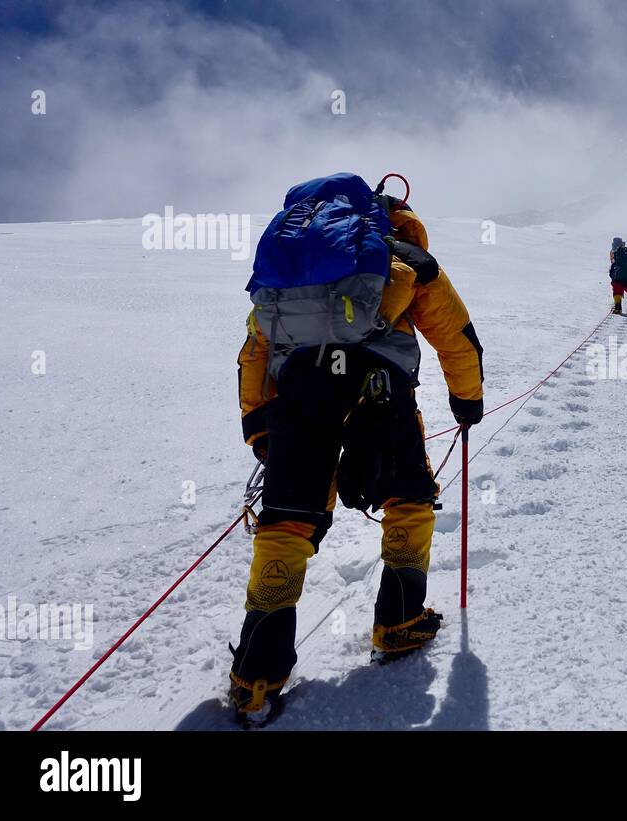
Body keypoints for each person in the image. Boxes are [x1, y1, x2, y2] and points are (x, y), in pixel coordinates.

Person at [231, 173, 484, 723]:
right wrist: (467, 403)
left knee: (288, 519)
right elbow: (455, 333)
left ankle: (257, 671)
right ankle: (398, 622)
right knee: (408, 497)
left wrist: (257, 421)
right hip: (380, 388)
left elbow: (255, 345)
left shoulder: (290, 272)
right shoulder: (405, 257)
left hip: (300, 390)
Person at [609, 236, 627, 314]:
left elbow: (611, 272)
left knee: (617, 291)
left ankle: (618, 308)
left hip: (618, 278)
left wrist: (613, 278)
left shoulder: (616, 261)